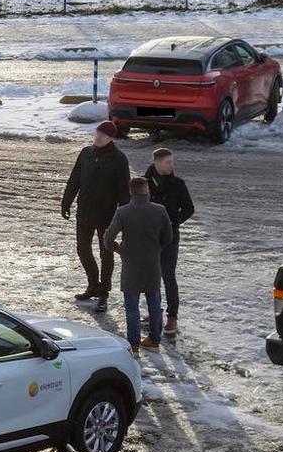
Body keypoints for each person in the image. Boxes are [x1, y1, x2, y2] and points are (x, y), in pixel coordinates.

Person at [61, 121, 130, 311]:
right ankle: (93, 284)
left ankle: (103, 292)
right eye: (98, 133)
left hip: (107, 215)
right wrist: (66, 201)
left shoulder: (119, 159)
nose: (99, 137)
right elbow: (74, 179)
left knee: (105, 253)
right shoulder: (86, 153)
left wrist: (124, 221)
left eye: (104, 135)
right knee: (82, 249)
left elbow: (124, 193)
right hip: (84, 211)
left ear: (111, 138)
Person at [103, 175, 171, 351]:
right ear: (146, 190)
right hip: (152, 264)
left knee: (132, 307)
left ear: (130, 191)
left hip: (131, 265)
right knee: (154, 304)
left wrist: (118, 249)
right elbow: (168, 237)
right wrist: (156, 249)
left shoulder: (123, 212)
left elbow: (108, 238)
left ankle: (133, 345)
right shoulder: (160, 210)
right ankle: (154, 340)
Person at [144, 147, 196, 334]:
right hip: (149, 238)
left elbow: (189, 208)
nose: (172, 165)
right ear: (157, 163)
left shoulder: (177, 184)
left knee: (168, 276)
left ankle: (172, 316)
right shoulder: (144, 183)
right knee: (151, 276)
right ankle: (154, 311)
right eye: (168, 162)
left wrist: (174, 222)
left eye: (171, 162)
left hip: (169, 237)